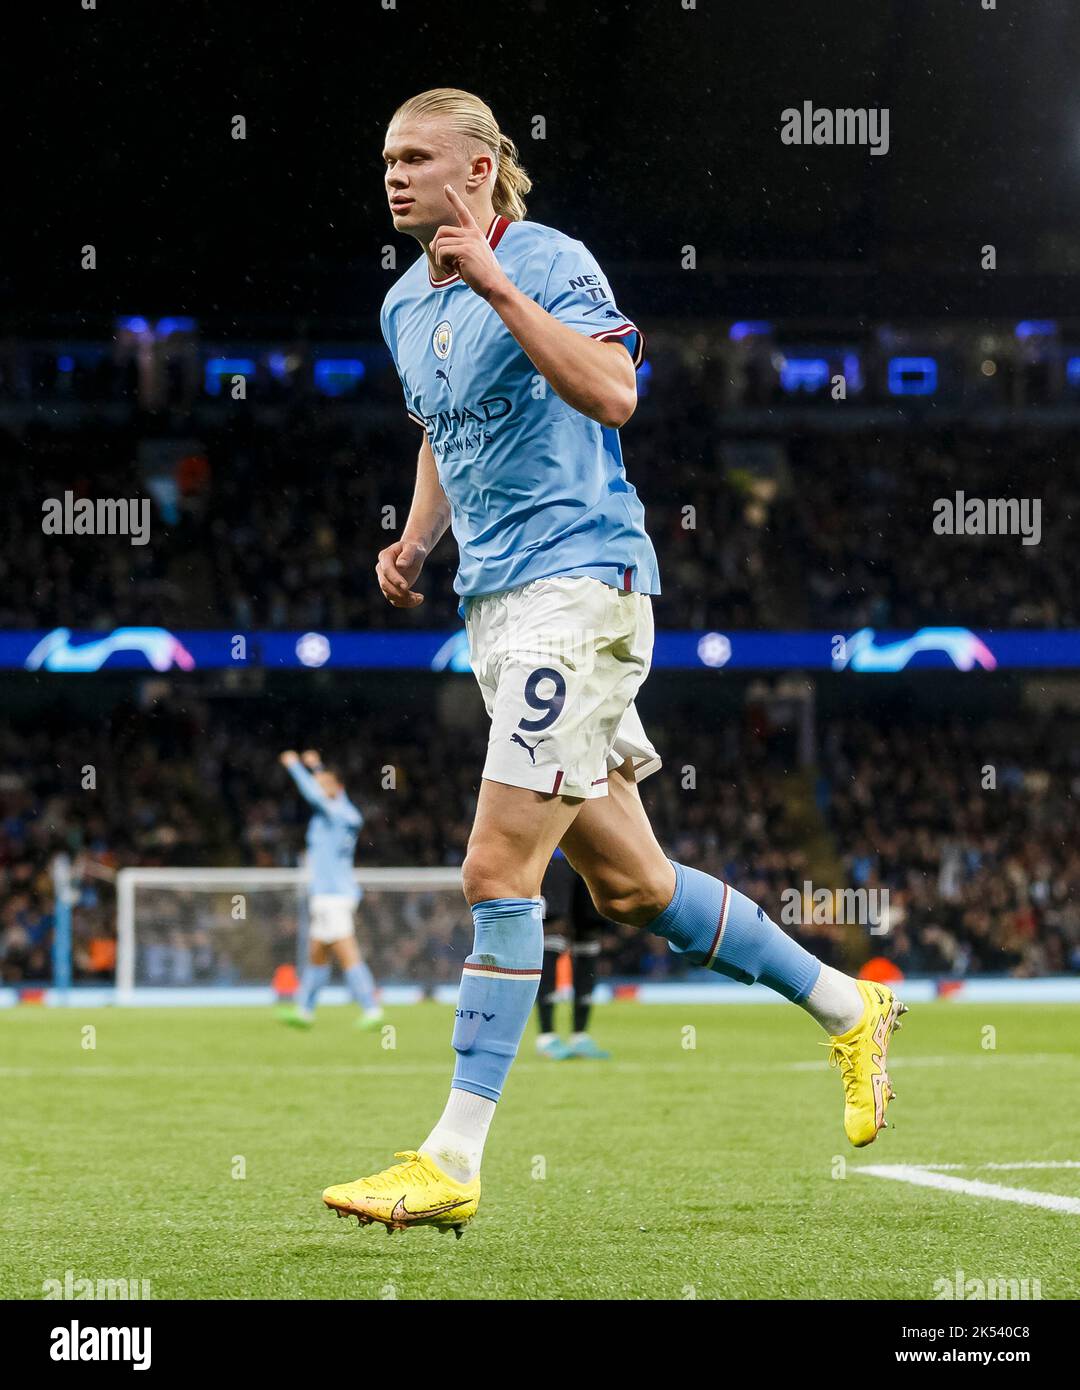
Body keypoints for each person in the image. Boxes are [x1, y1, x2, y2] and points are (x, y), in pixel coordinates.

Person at [321, 88, 905, 1238]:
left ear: (479, 170)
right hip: (497, 609)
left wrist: (498, 286)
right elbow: (445, 426)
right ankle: (848, 1005)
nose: (392, 175)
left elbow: (615, 391)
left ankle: (452, 1155)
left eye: (415, 156)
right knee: (633, 886)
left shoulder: (544, 259)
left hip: (580, 589)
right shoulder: (400, 304)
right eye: (385, 157)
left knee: (497, 869)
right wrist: (415, 539)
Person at [278, 749, 382, 1030]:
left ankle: (372, 1009)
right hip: (325, 895)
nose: (319, 788)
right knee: (317, 953)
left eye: (325, 784)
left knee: (347, 953)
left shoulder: (334, 813)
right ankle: (305, 1010)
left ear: (339, 789)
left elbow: (313, 794)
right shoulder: (343, 812)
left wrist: (296, 767)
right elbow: (324, 788)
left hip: (335, 896)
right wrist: (317, 766)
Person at [535, 848, 610, 1060]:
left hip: (589, 854)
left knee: (589, 935)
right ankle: (547, 1036)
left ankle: (580, 1035)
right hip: (555, 854)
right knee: (553, 931)